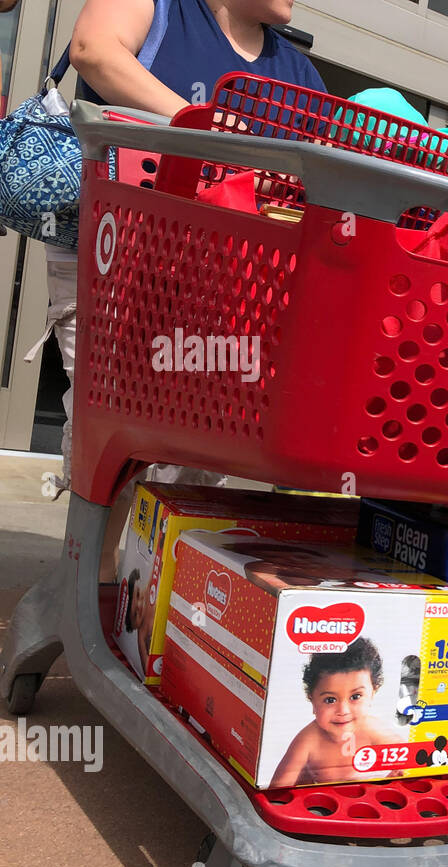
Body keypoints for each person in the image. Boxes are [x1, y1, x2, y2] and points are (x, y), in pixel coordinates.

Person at [28, 0, 326, 501]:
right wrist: (215, 133)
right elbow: (93, 50)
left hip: (229, 289)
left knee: (207, 442)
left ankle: (158, 570)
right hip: (115, 259)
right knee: (116, 425)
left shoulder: (297, 71)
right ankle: (92, 573)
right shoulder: (162, 7)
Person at [270, 637, 405, 788]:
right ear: (312, 699)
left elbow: (410, 761)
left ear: (372, 693)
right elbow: (277, 788)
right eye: (330, 700)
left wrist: (393, 777)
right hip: (319, 805)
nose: (343, 711)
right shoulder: (308, 740)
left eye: (355, 697)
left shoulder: (372, 730)